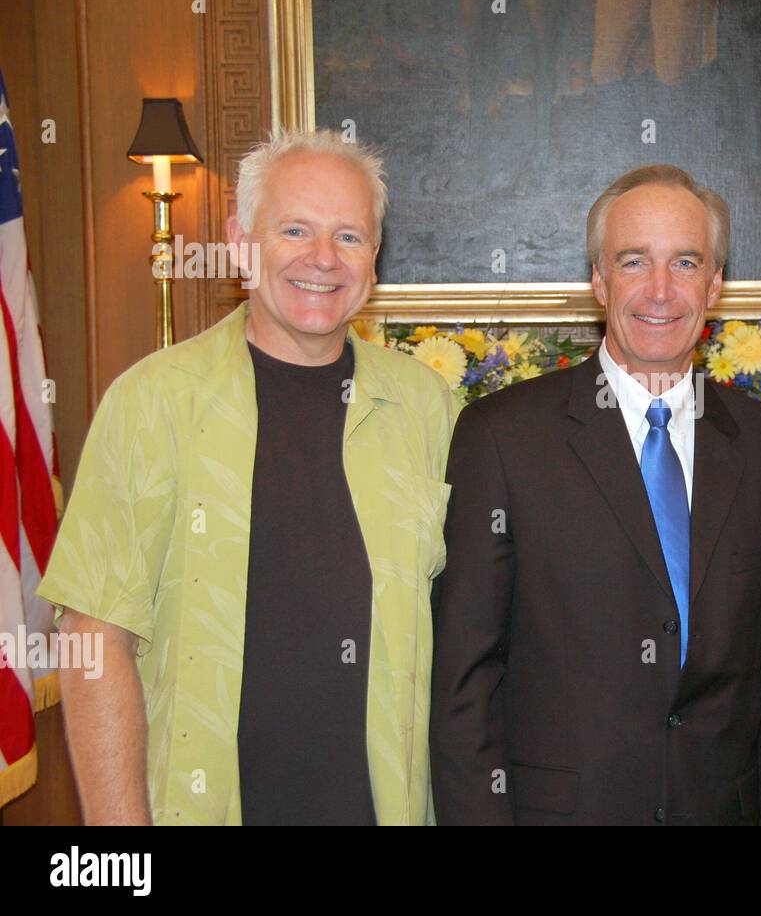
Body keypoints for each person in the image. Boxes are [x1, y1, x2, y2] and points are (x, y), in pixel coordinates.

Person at [40, 130, 460, 825]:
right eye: (294, 229)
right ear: (241, 245)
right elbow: (95, 639)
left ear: (374, 259)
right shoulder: (152, 402)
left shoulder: (428, 407)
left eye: (349, 237)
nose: (322, 259)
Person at [431, 164, 761, 825]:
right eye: (634, 261)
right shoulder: (503, 439)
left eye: (686, 262)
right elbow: (466, 683)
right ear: (599, 280)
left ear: (715, 284)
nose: (661, 290)